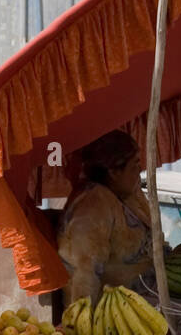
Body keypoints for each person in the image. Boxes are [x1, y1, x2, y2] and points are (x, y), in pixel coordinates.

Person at [57, 130, 155, 305]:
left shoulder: (127, 194)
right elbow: (84, 270)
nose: (139, 172)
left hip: (145, 299)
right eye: (135, 165)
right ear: (113, 171)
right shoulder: (93, 204)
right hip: (114, 310)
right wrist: (82, 318)